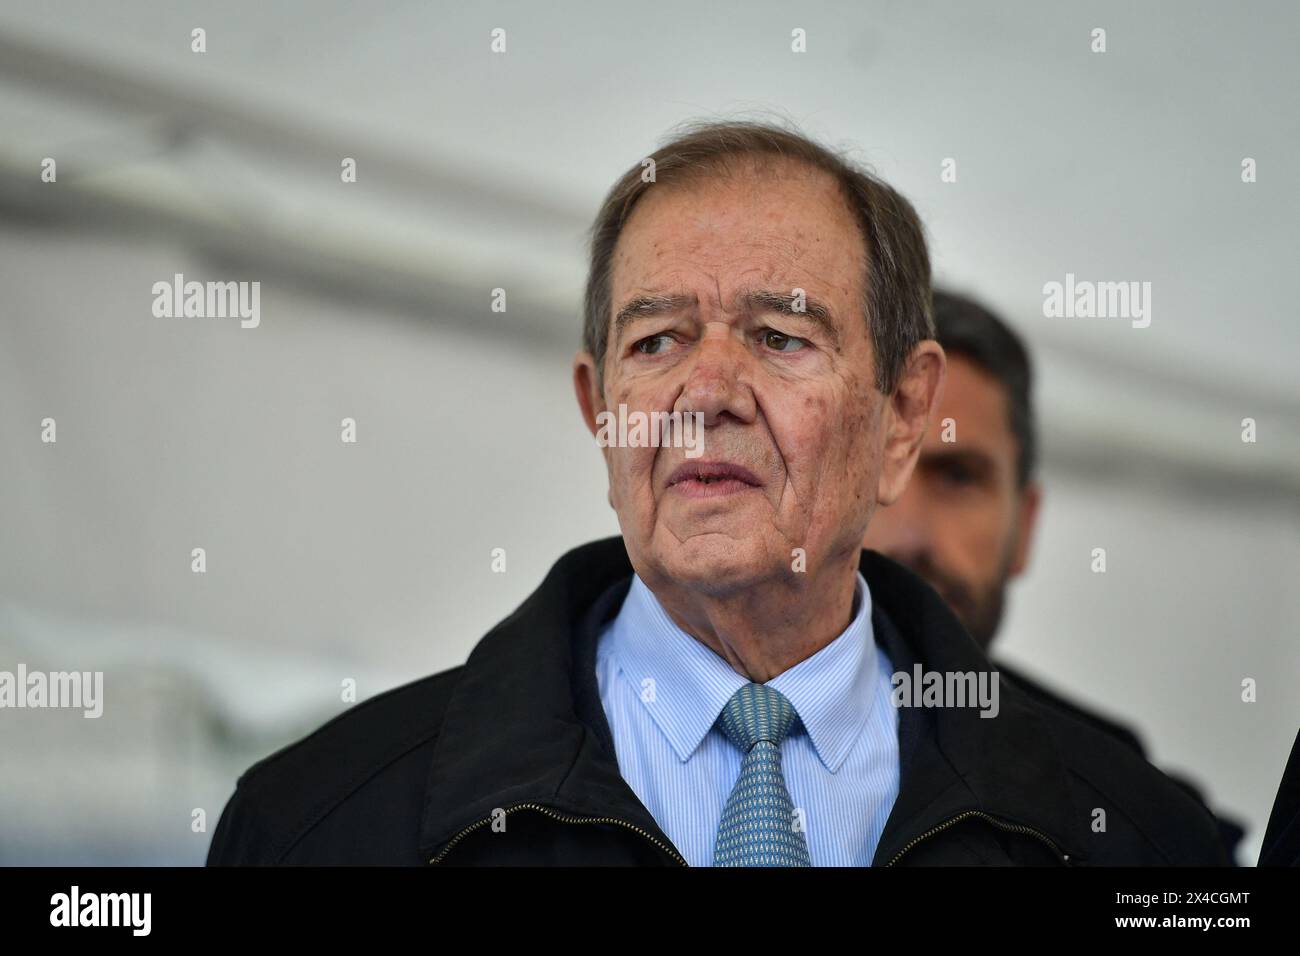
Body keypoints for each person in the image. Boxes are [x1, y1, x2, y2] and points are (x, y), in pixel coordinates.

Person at [207, 120, 1227, 866]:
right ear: (600, 406)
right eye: (655, 341)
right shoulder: (317, 826)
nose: (705, 392)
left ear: (903, 416)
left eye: (781, 337)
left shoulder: (1138, 844)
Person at [862, 289, 1246, 862]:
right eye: (878, 467)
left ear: (1026, 527)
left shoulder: (1135, 817)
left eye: (959, 477)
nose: (907, 532)